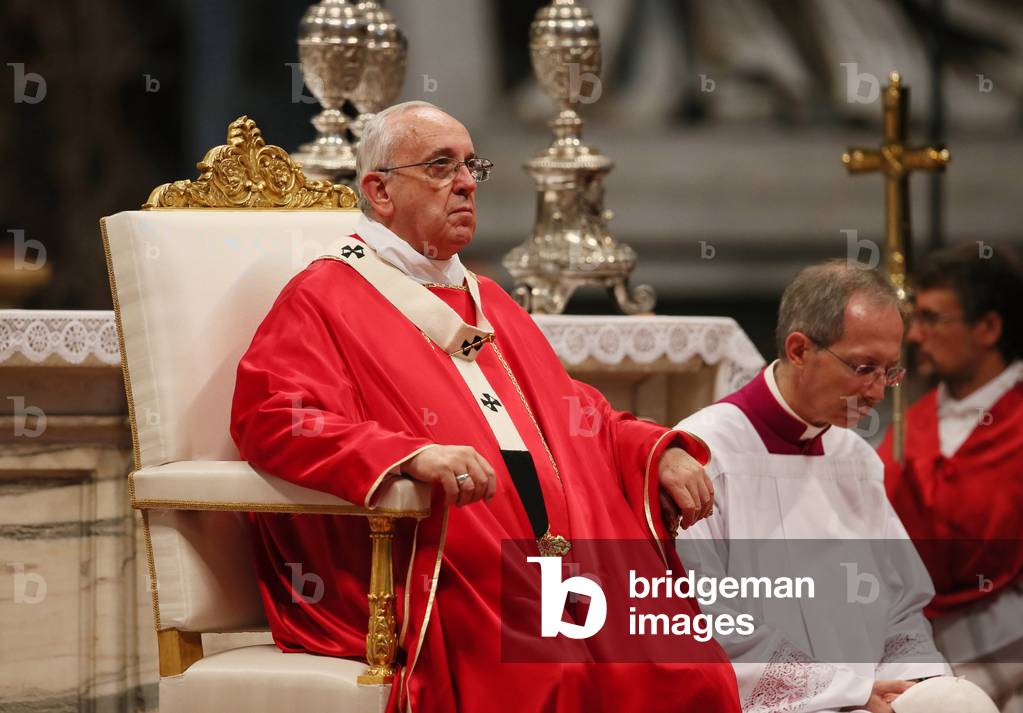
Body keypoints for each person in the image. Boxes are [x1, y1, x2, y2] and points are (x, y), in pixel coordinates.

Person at [230, 101, 740, 713]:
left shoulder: (487, 297)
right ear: (380, 191)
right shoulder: (323, 297)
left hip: (553, 557)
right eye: (441, 166)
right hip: (436, 560)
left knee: (685, 666)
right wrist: (406, 457)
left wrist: (655, 452)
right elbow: (273, 418)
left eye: (472, 166)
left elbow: (577, 415)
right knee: (549, 673)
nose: (467, 183)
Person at [675, 262, 952, 713]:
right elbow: (703, 619)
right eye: (864, 368)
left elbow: (900, 609)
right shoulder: (705, 454)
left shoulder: (855, 459)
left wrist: (918, 685)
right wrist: (845, 692)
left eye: (889, 371)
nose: (878, 392)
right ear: (800, 350)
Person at [879, 244, 1023, 711]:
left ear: (989, 328)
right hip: (916, 646)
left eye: (931, 318)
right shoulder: (908, 424)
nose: (915, 335)